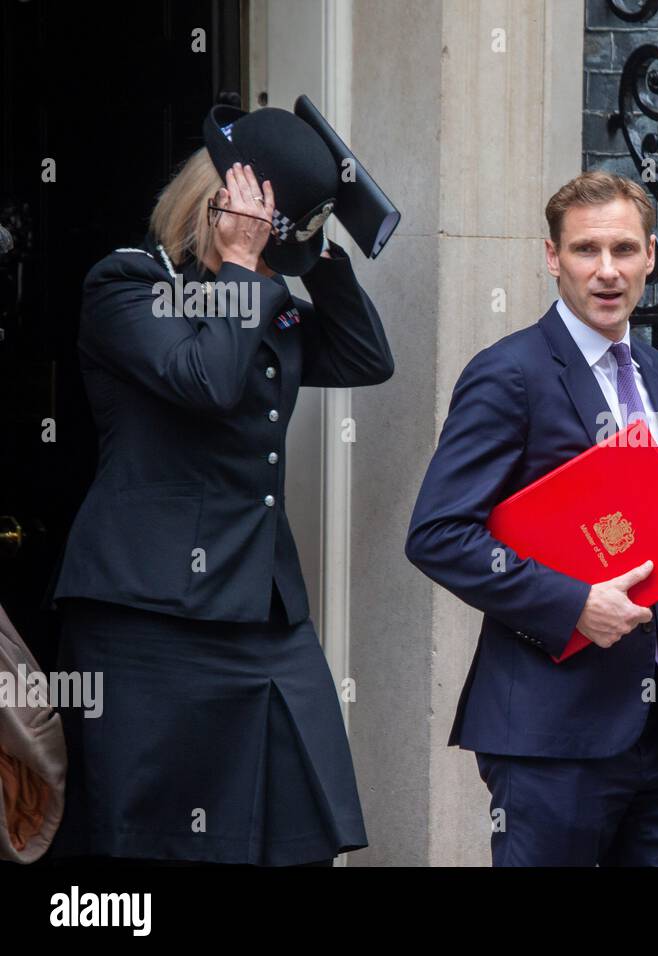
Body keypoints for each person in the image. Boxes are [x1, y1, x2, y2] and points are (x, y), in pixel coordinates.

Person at [48, 105, 395, 866]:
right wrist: (243, 267)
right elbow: (204, 380)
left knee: (300, 825)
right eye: (269, 223)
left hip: (263, 616)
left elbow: (367, 358)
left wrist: (314, 253)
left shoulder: (269, 303)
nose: (271, 241)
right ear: (220, 205)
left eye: (282, 228)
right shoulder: (127, 285)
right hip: (148, 617)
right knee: (152, 841)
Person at [405, 170, 658, 866]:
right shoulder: (509, 373)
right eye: (585, 250)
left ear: (650, 256)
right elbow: (437, 533)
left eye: (623, 249)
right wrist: (573, 602)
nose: (606, 271)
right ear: (552, 257)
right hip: (551, 737)